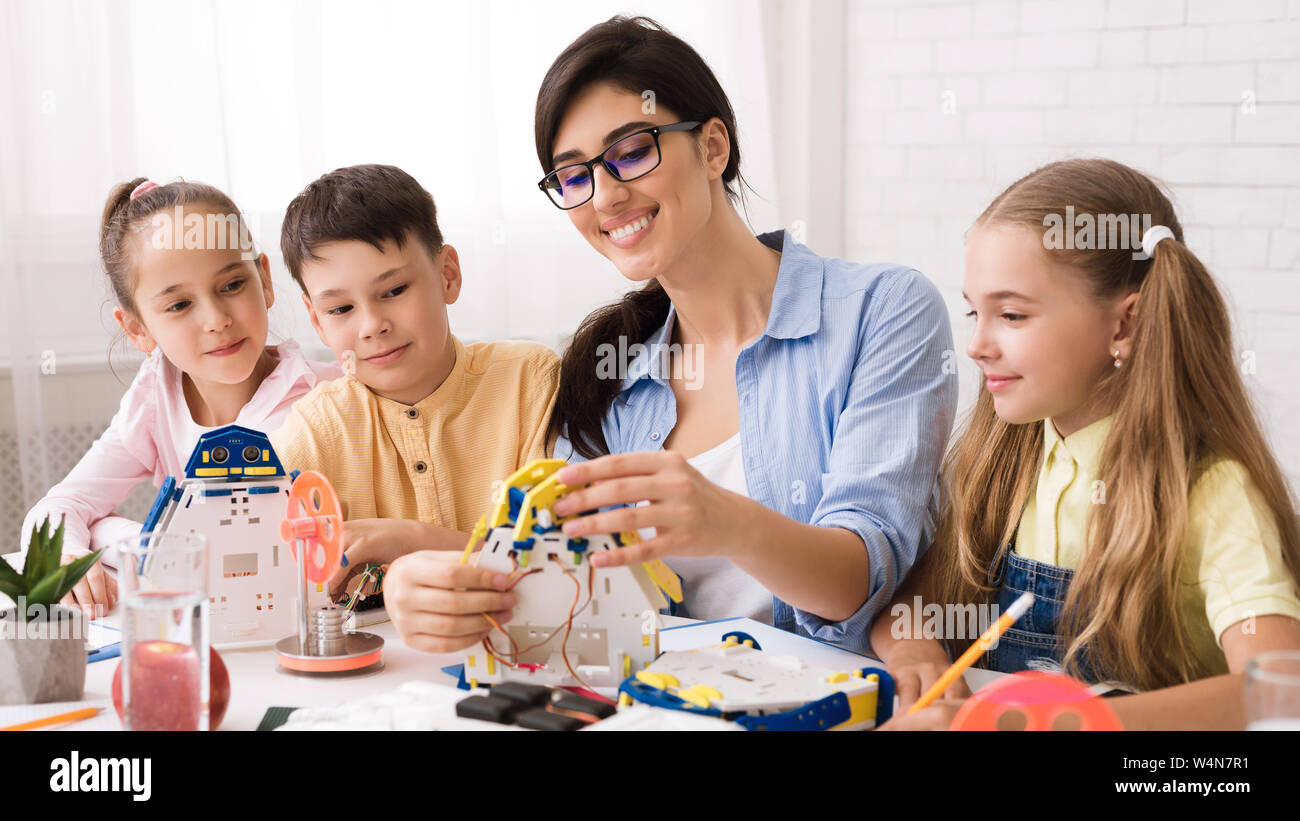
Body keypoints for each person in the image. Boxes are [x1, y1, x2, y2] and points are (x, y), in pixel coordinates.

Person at [384, 16, 955, 655]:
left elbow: (865, 581)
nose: (605, 196)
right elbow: (565, 577)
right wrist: (421, 578)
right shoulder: (609, 367)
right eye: (573, 177)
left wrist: (726, 521)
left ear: (714, 147)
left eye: (631, 151)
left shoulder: (883, 311)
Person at [871, 158, 1300, 730]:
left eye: (1012, 314)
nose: (975, 344)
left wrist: (1052, 722)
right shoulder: (1005, 461)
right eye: (976, 312)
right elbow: (910, 610)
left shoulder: (1212, 491)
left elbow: (1280, 689)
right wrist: (916, 653)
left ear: (1124, 326)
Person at [20, 178, 340, 617]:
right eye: (178, 305)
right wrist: (68, 555)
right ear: (137, 328)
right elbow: (61, 508)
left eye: (231, 285)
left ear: (264, 279)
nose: (216, 319)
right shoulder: (156, 395)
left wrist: (112, 534)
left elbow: (231, 557)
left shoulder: (327, 397)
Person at [270, 164, 560, 596]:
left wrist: (414, 542)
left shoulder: (530, 382)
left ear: (447, 275)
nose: (372, 326)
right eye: (340, 310)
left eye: (393, 291)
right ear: (317, 320)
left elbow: (565, 573)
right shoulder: (315, 430)